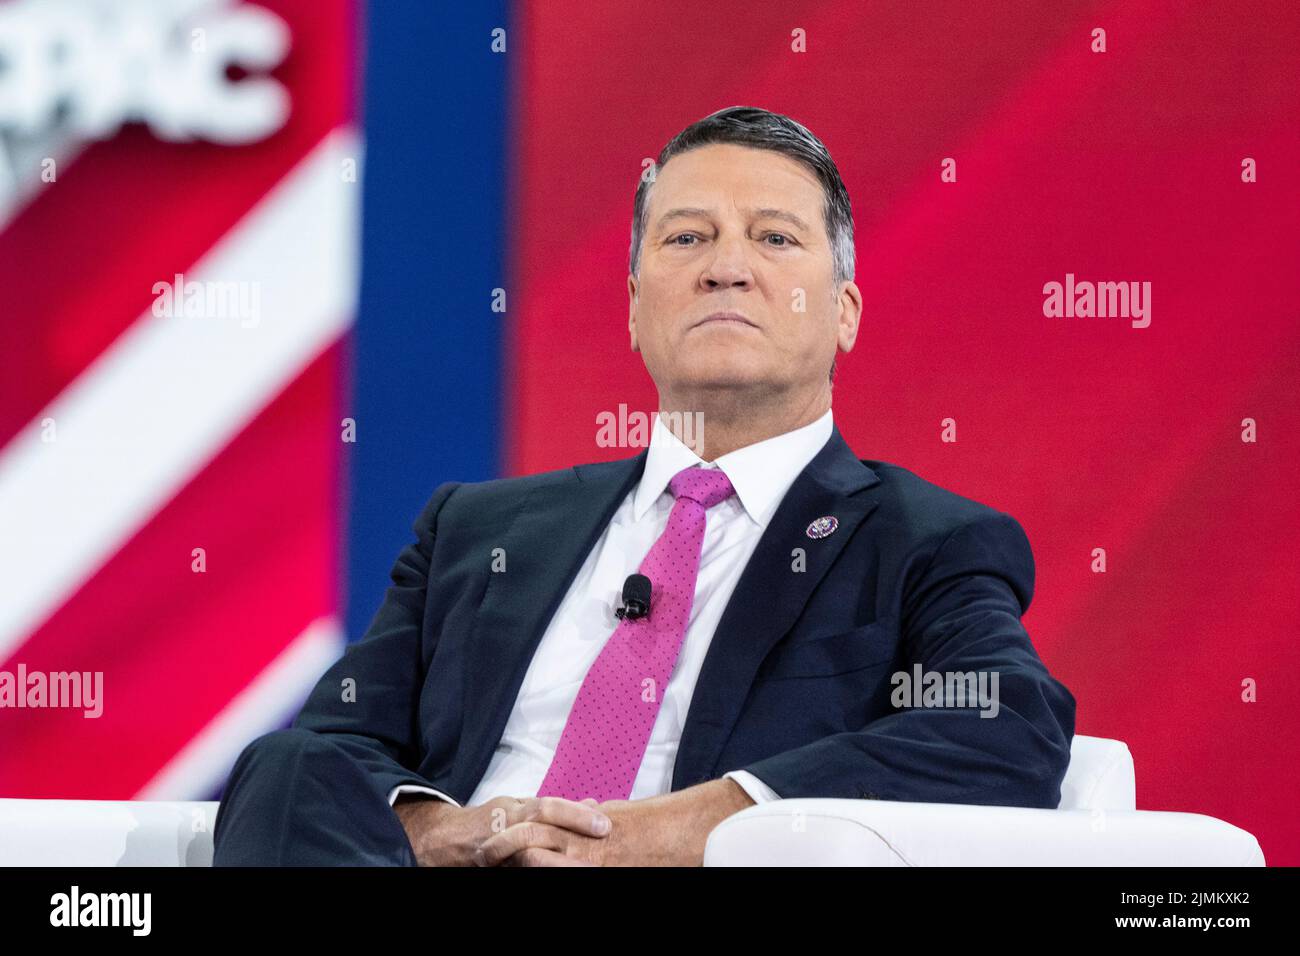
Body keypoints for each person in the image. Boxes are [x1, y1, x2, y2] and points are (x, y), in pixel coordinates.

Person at [213, 105, 1076, 867]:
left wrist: (646, 839)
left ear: (843, 311)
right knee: (287, 768)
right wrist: (453, 838)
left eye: (774, 238)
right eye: (686, 237)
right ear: (633, 306)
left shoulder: (923, 541)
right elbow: (332, 747)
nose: (726, 269)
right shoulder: (476, 531)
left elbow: (1008, 728)